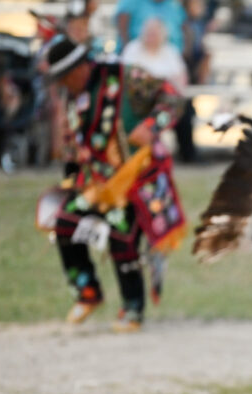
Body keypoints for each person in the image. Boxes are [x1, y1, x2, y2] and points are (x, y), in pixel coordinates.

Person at [39, 37, 186, 331]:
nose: (64, 85)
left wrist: (152, 124)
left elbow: (173, 96)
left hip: (137, 178)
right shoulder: (72, 97)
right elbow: (74, 147)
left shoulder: (126, 76)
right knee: (64, 220)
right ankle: (87, 290)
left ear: (79, 69)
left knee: (122, 234)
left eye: (65, 78)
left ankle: (132, 308)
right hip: (98, 182)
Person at [121, 17, 188, 90]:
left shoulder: (171, 51)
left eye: (154, 33)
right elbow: (125, 73)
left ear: (163, 34)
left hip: (166, 96)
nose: (151, 36)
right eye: (148, 32)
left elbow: (181, 76)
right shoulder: (132, 48)